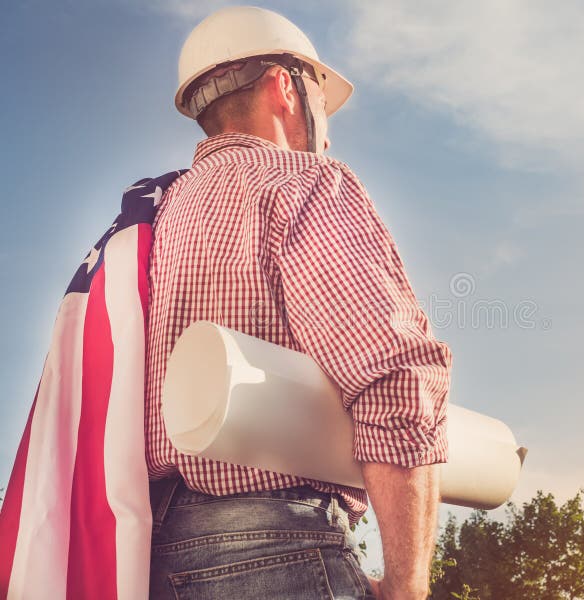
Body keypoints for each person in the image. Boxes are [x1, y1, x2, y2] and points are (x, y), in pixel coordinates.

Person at [146, 6, 452, 600]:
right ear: (284, 86)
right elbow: (394, 372)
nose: (329, 133)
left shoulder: (154, 222)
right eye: (318, 96)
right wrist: (408, 584)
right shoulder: (303, 182)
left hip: (155, 558)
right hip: (280, 547)